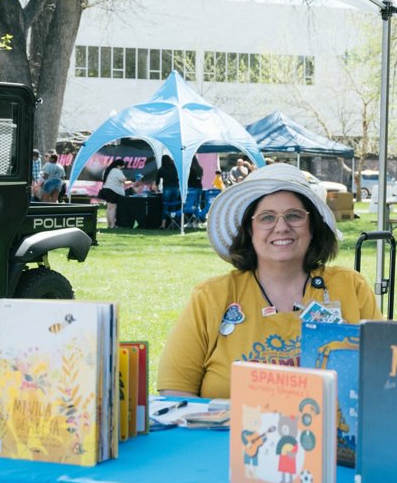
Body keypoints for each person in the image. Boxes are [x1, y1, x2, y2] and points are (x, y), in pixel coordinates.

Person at [159, 164, 381, 399]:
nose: (282, 227)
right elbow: (175, 391)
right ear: (249, 229)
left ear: (313, 226)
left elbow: (382, 377)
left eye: (294, 216)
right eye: (267, 217)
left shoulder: (350, 288)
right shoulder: (212, 296)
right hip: (227, 436)